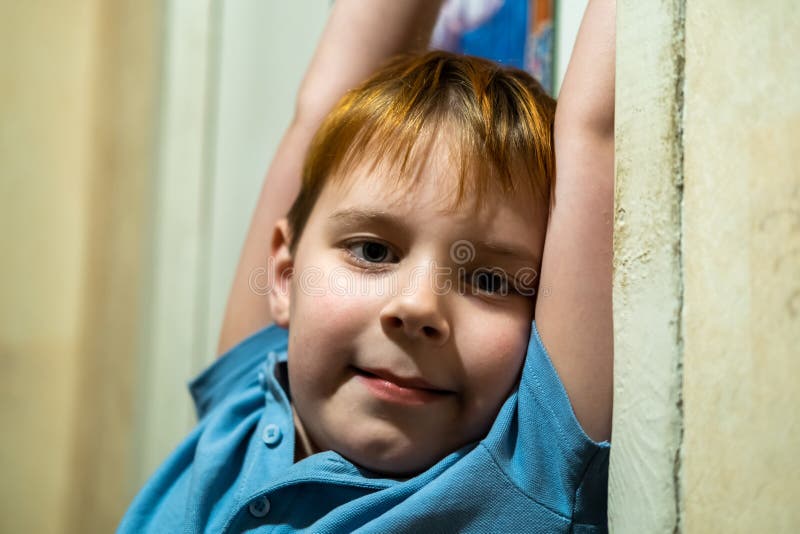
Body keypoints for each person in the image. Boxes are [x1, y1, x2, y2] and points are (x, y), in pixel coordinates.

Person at [119, 0, 615, 531]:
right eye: (373, 251)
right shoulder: (244, 401)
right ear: (286, 279)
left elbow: (600, 132)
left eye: (490, 280)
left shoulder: (531, 472)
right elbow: (322, 109)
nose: (418, 306)